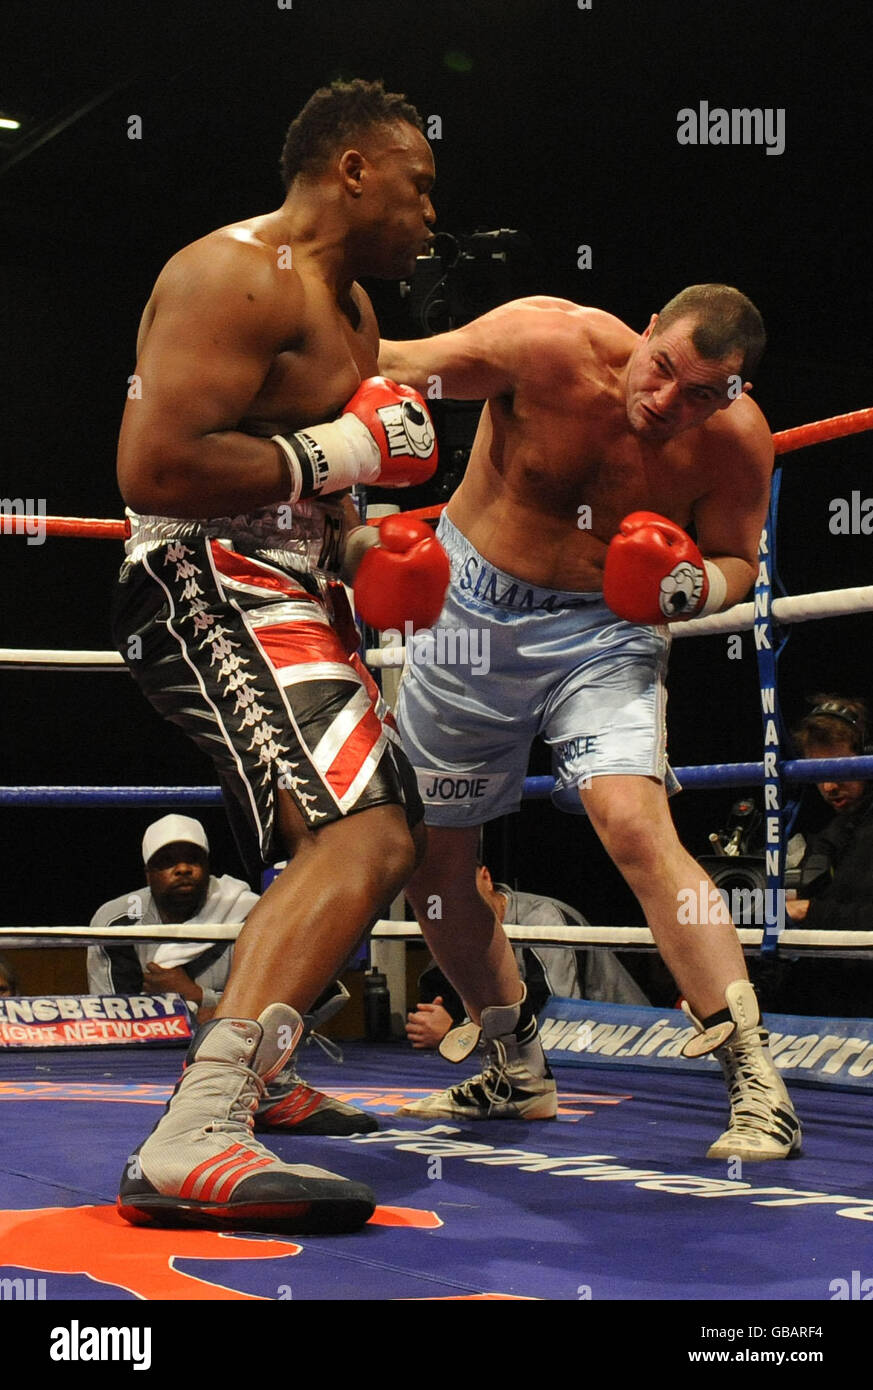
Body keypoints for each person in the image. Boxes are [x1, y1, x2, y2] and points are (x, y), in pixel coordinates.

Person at [112, 79, 450, 1232]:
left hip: (296, 586)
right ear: (354, 169)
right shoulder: (231, 273)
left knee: (345, 835)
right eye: (420, 182)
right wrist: (343, 447)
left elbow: (322, 484)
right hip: (202, 576)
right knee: (371, 827)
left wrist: (377, 543)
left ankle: (258, 1069)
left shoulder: (353, 318)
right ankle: (196, 1131)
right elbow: (153, 469)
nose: (431, 211)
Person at [380, 284, 802, 1159]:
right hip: (468, 614)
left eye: (699, 394)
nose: (664, 403)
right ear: (645, 331)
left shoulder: (735, 440)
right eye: (662, 371)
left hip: (608, 630)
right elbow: (392, 366)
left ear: (732, 393)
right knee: (437, 862)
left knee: (632, 820)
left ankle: (757, 1081)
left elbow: (733, 560)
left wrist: (689, 588)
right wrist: (367, 427)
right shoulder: (542, 343)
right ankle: (513, 1067)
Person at [88, 814, 374, 1135]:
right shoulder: (118, 921)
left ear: (208, 865)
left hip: (241, 1055)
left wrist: (195, 997)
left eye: (192, 859)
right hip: (143, 1069)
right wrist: (207, 1015)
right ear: (148, 874)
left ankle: (267, 1091)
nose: (182, 869)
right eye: (167, 862)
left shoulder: (251, 912)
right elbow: (117, 1020)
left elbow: (300, 997)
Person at [406, 863, 648, 1048]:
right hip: (573, 1052)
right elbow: (439, 1006)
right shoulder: (455, 928)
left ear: (486, 878)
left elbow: (559, 1024)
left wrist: (455, 1036)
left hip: (630, 1043)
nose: (455, 902)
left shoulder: (544, 921)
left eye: (459, 888)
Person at [787, 696, 873, 932]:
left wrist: (810, 911)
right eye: (816, 771)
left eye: (839, 768)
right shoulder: (833, 831)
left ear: (867, 755)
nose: (828, 787)